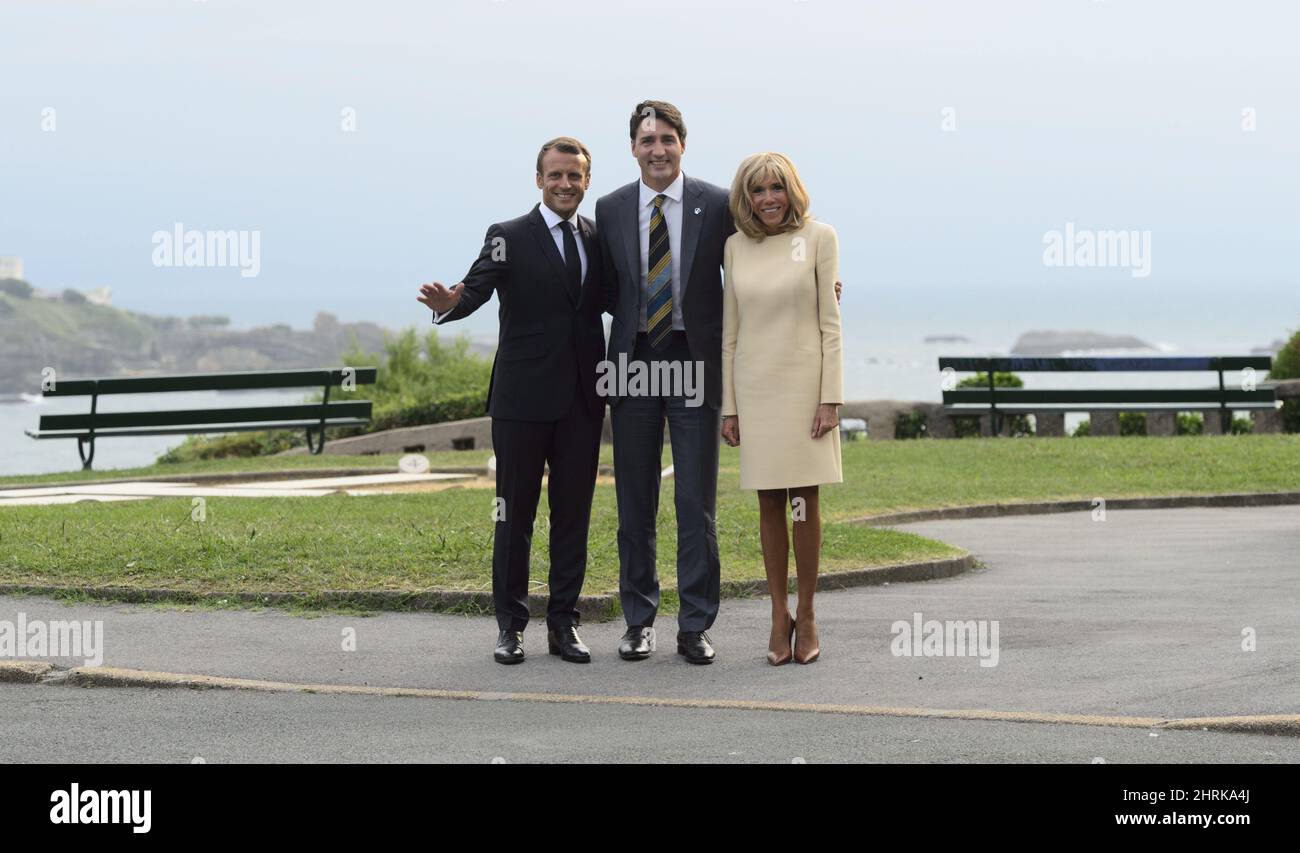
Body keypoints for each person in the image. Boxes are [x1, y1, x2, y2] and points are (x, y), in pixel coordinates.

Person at [417, 137, 607, 666]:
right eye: (555, 175)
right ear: (538, 179)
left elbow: (624, 295)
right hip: (522, 401)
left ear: (586, 181)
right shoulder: (508, 236)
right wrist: (449, 304)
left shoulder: (598, 236)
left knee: (573, 517)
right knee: (513, 517)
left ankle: (565, 626)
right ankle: (511, 626)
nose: (565, 184)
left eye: (574, 176)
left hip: (583, 403)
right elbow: (474, 289)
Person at [720, 152, 843, 666]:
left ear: (792, 189)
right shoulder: (734, 247)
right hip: (755, 386)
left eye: (777, 188)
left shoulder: (820, 238)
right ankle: (778, 614)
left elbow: (830, 323)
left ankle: (809, 611)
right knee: (769, 501)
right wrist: (729, 408)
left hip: (804, 384)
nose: (768, 199)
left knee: (804, 501)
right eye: (758, 191)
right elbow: (730, 333)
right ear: (745, 198)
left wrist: (829, 397)